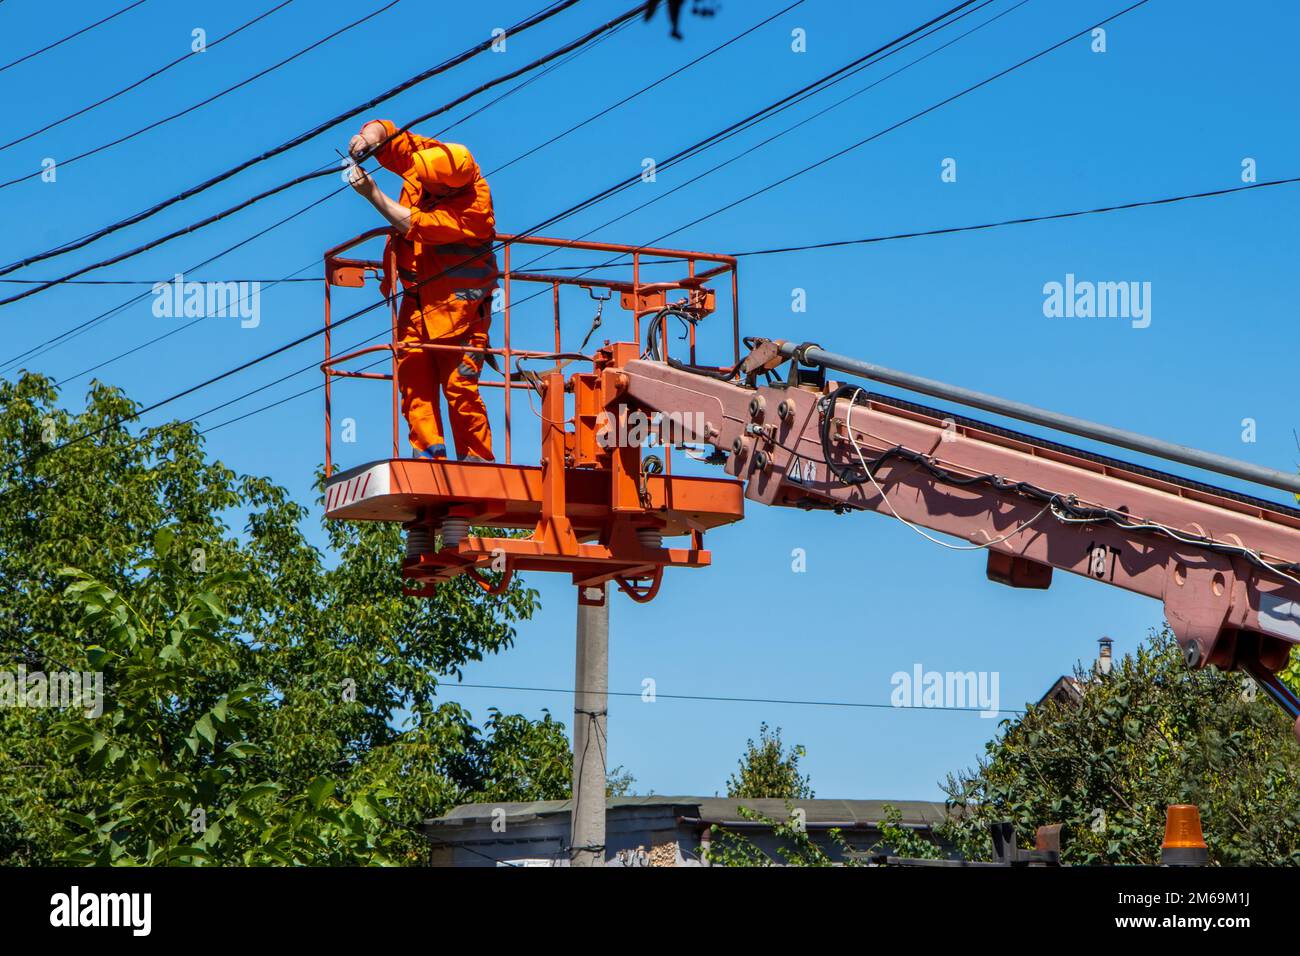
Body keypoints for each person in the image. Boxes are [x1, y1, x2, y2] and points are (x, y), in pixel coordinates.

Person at [347, 119, 497, 461]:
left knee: (460, 387)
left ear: (452, 188)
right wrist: (366, 138)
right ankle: (429, 454)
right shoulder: (431, 159)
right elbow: (389, 134)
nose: (424, 189)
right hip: (417, 300)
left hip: (462, 311)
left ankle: (476, 460)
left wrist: (372, 194)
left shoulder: (474, 209)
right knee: (413, 377)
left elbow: (414, 225)